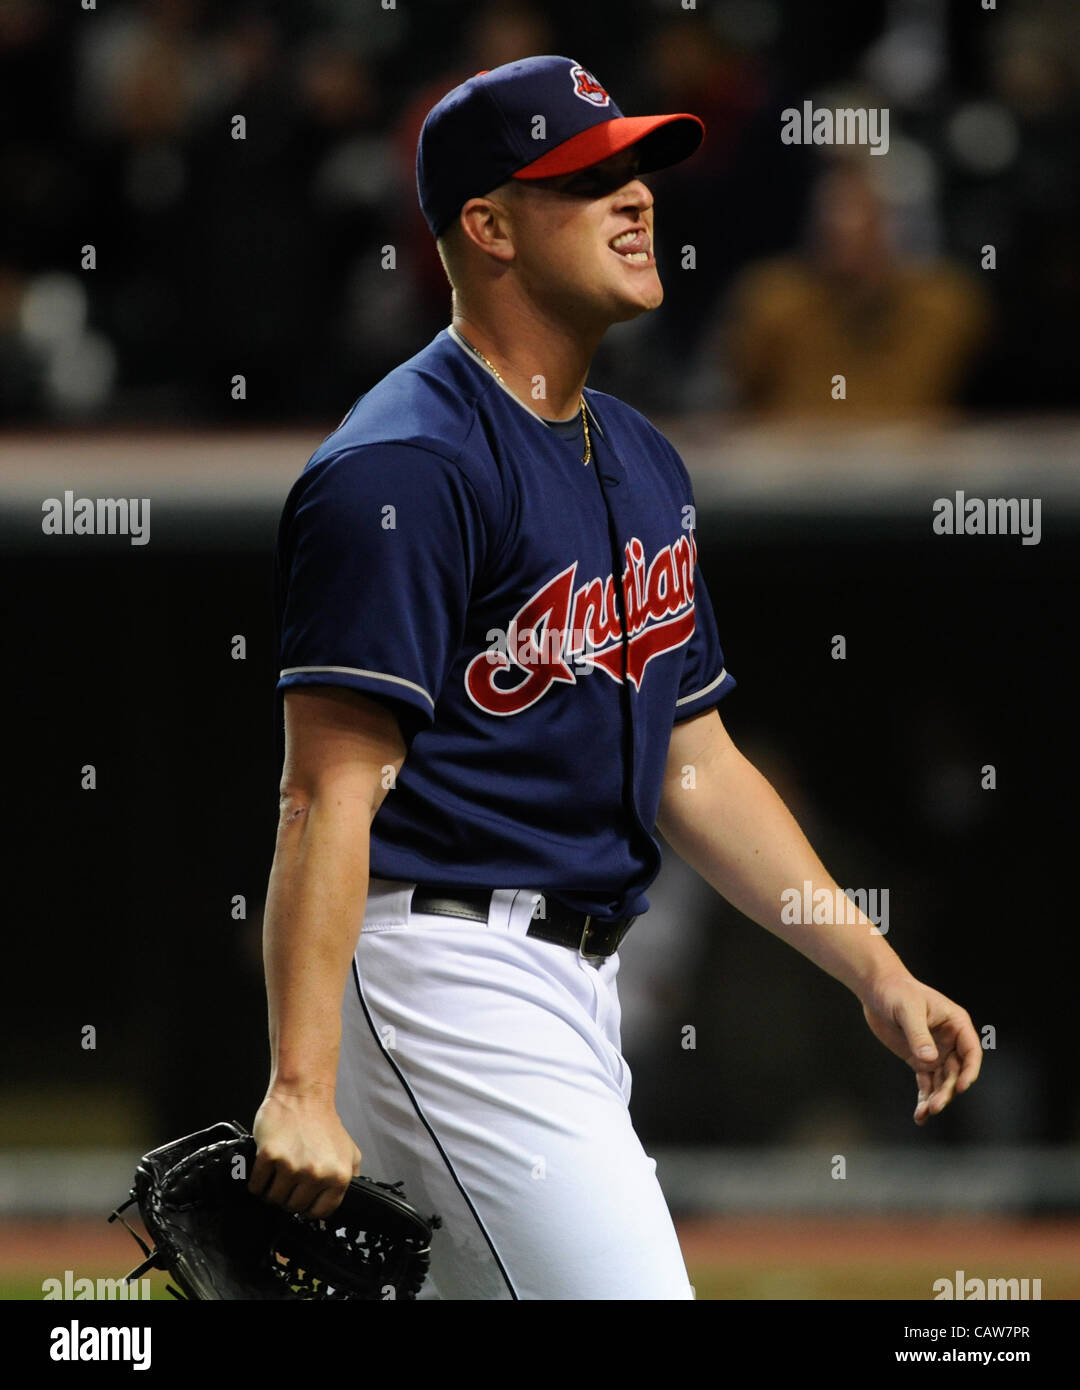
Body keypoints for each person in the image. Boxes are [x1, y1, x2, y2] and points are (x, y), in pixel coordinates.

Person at [248, 56, 981, 1300]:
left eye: (637, 168)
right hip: (446, 977)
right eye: (586, 178)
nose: (637, 196)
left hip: (582, 989)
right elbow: (325, 794)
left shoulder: (639, 456)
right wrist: (301, 1086)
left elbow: (695, 763)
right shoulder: (403, 467)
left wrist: (876, 966)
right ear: (485, 227)